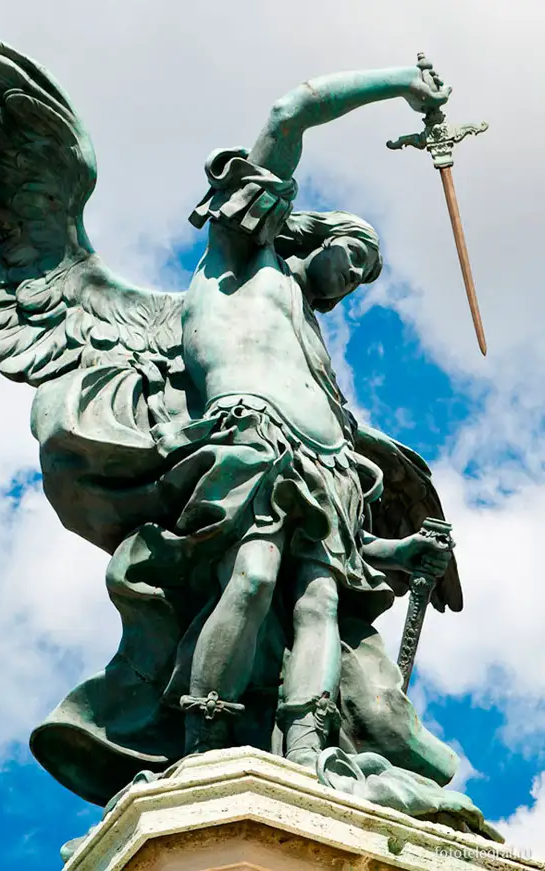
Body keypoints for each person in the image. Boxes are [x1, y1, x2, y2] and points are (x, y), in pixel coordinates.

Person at [180, 61, 452, 764]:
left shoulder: (312, 352)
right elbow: (289, 109)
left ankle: (306, 749)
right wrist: (401, 84)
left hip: (324, 463)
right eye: (354, 257)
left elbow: (360, 555)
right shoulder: (240, 257)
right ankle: (206, 732)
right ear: (318, 235)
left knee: (320, 605)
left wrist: (396, 552)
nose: (354, 277)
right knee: (253, 575)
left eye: (364, 275)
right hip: (249, 438)